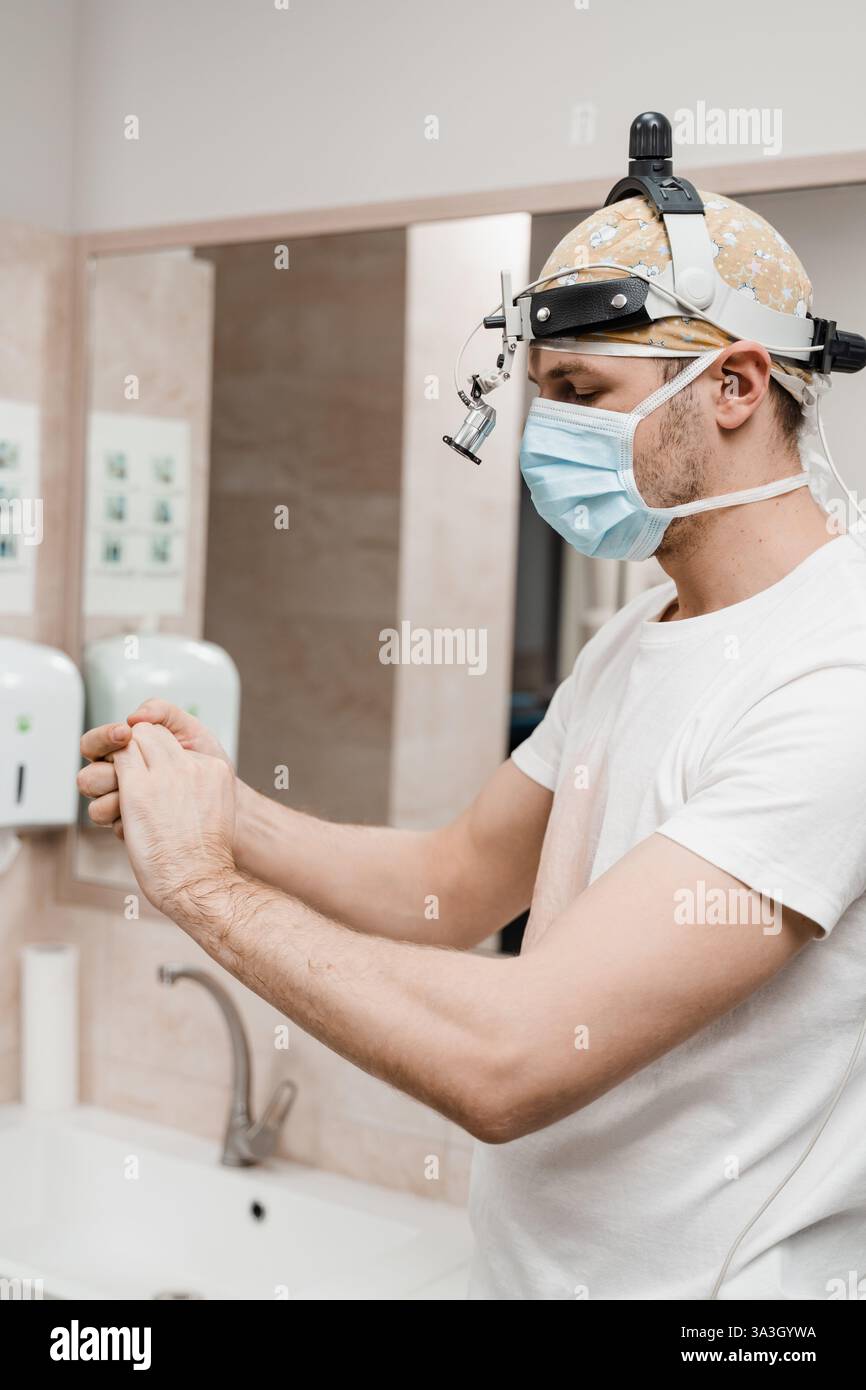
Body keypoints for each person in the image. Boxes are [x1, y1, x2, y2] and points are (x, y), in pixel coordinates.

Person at [78, 189, 866, 1301]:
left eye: (584, 394)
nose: (548, 440)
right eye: (540, 397)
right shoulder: (637, 636)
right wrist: (228, 811)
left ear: (734, 384)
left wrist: (202, 886)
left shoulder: (835, 678)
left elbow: (515, 1058)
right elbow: (449, 886)